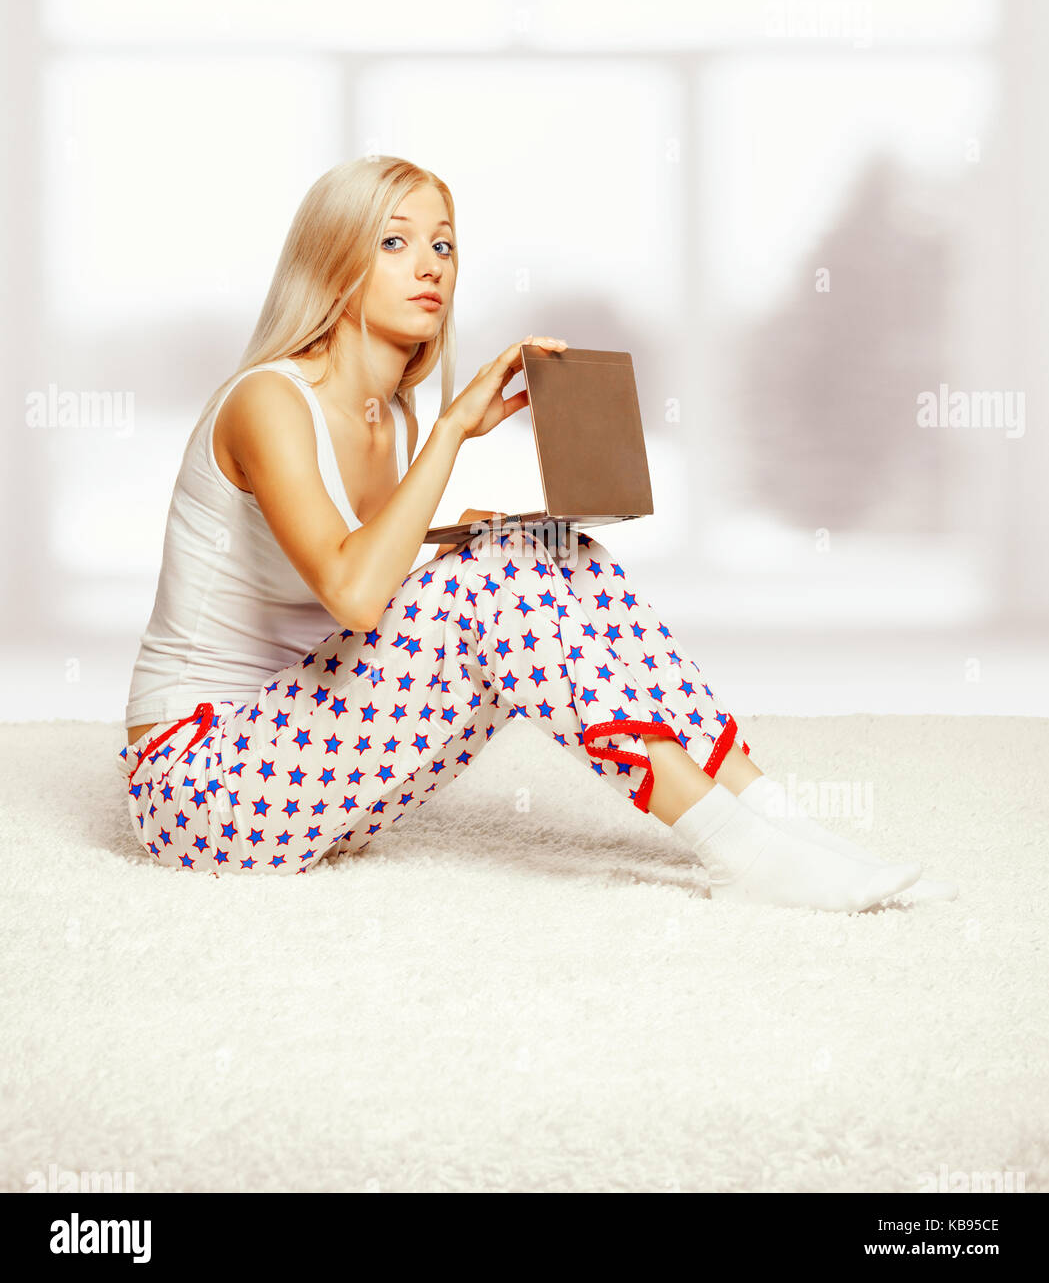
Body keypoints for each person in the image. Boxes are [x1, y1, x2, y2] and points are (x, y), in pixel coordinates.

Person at [117, 156, 956, 909]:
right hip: (199, 784)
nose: (428, 268)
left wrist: (458, 540)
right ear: (332, 261)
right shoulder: (269, 401)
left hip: (302, 763)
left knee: (549, 550)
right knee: (491, 572)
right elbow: (354, 594)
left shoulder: (387, 418)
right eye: (394, 243)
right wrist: (452, 434)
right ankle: (736, 851)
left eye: (442, 246)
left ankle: (772, 818)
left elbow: (349, 572)